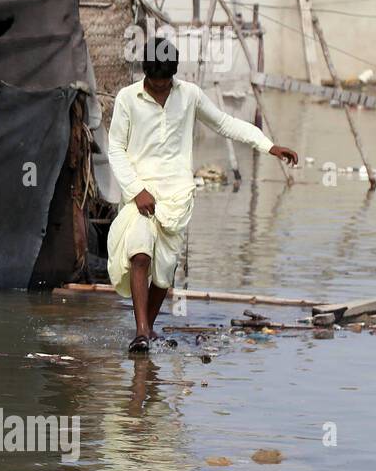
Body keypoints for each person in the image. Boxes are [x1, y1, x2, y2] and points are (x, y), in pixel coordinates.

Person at [106, 39, 298, 353]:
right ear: (145, 75)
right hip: (139, 192)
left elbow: (225, 124)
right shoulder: (128, 98)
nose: (160, 88)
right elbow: (115, 147)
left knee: (164, 270)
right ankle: (141, 331)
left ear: (173, 75)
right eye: (154, 83)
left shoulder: (190, 95)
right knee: (139, 254)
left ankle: (148, 330)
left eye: (165, 82)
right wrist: (135, 189)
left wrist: (268, 145)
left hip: (177, 195)